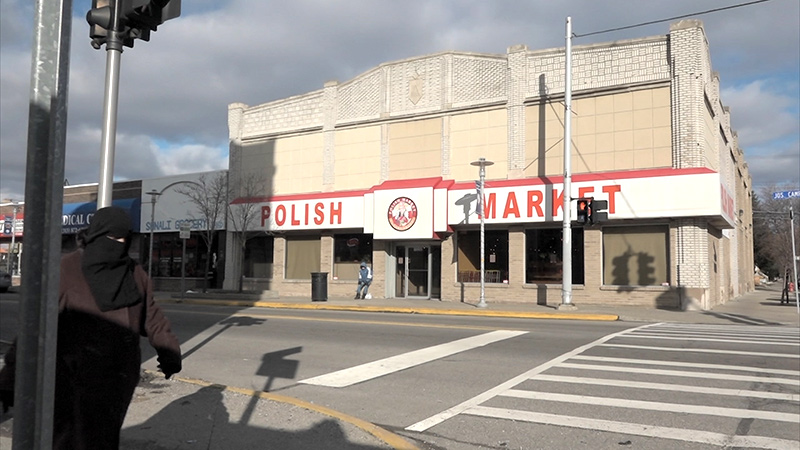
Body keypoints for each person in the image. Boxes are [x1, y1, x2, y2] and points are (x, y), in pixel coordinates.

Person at [0, 206, 182, 449]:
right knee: (66, 437)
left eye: (124, 238)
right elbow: (35, 327)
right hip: (70, 375)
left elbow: (154, 319)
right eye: (112, 237)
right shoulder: (66, 269)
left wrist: (170, 353)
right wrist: (10, 377)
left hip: (117, 377)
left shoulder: (135, 274)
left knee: (103, 438)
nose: (118, 243)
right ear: (95, 235)